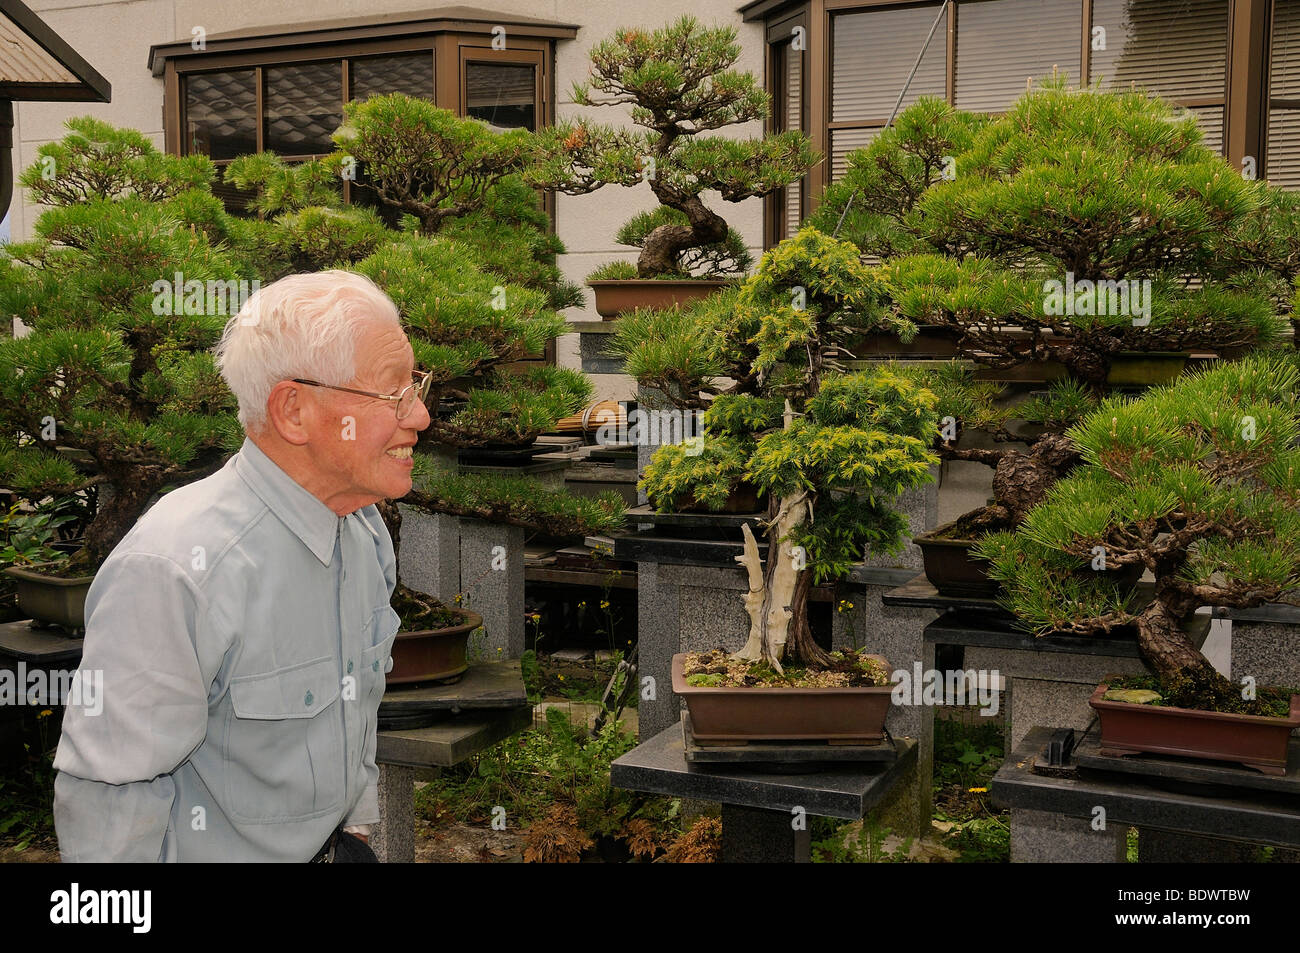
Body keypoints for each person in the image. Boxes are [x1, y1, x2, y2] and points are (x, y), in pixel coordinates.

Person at [53, 270, 431, 861]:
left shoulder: (360, 528)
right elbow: (109, 803)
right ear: (294, 411)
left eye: (417, 387)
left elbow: (356, 704)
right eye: (394, 394)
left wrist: (355, 827)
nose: (421, 417)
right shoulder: (177, 568)